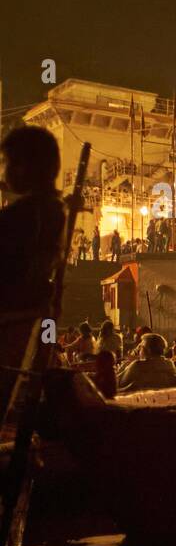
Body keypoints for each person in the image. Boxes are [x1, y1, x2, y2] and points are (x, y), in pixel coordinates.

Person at [0, 126, 66, 406]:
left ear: (25, 168)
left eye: (8, 163)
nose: (4, 171)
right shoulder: (52, 211)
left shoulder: (25, 216)